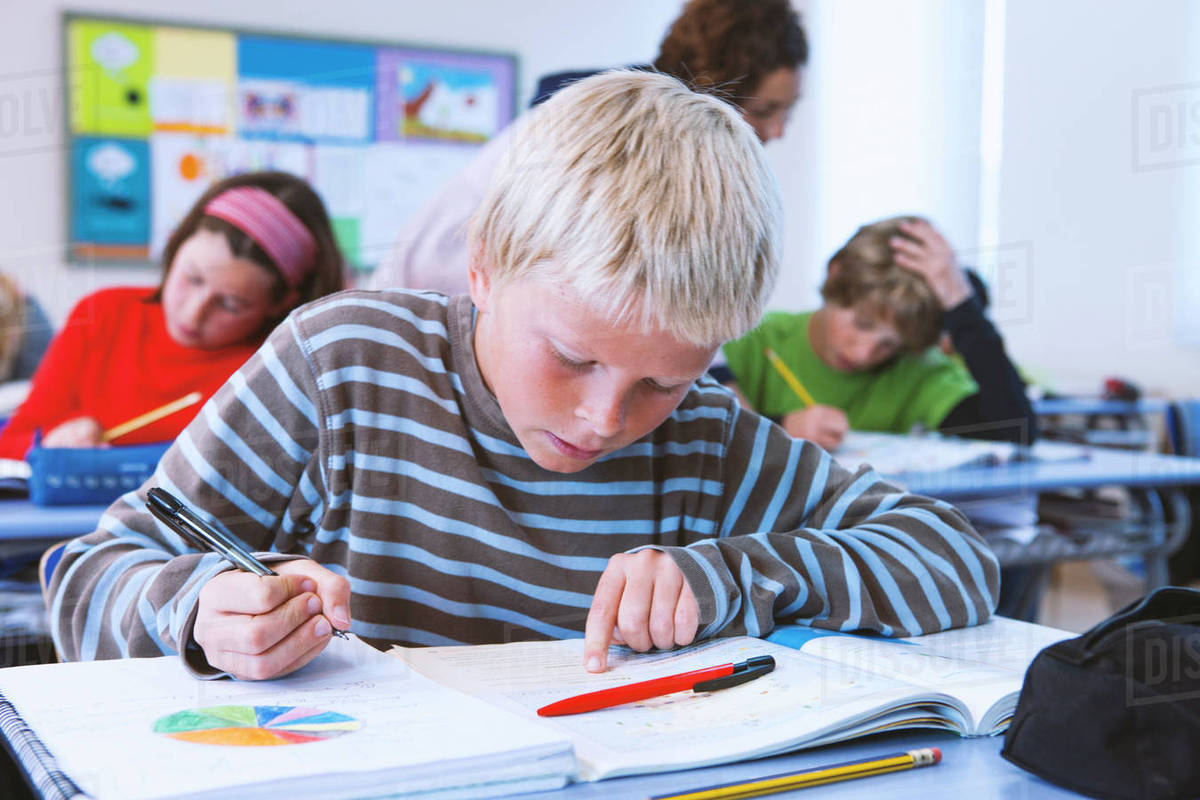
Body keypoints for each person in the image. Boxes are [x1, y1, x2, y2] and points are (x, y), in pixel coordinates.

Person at [50, 72, 998, 683]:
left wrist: (735, 574)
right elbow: (85, 579)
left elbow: (955, 558)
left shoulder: (704, 436)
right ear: (485, 265)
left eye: (661, 380)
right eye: (574, 356)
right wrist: (200, 612)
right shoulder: (340, 364)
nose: (603, 417)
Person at [369, 0, 808, 295]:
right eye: (766, 109)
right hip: (427, 318)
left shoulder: (642, 121)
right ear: (716, 87)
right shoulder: (612, 132)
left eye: (787, 112)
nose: (778, 131)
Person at [0, 172, 346, 459]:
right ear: (176, 245)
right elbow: (12, 441)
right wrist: (50, 442)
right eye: (192, 278)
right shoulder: (101, 314)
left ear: (281, 302)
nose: (193, 315)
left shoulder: (278, 368)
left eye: (230, 305)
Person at [719, 216, 1037, 451]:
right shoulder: (749, 339)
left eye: (890, 344)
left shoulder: (916, 371)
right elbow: (691, 432)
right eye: (862, 323)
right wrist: (779, 426)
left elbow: (1014, 432)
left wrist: (961, 303)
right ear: (835, 275)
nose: (864, 354)